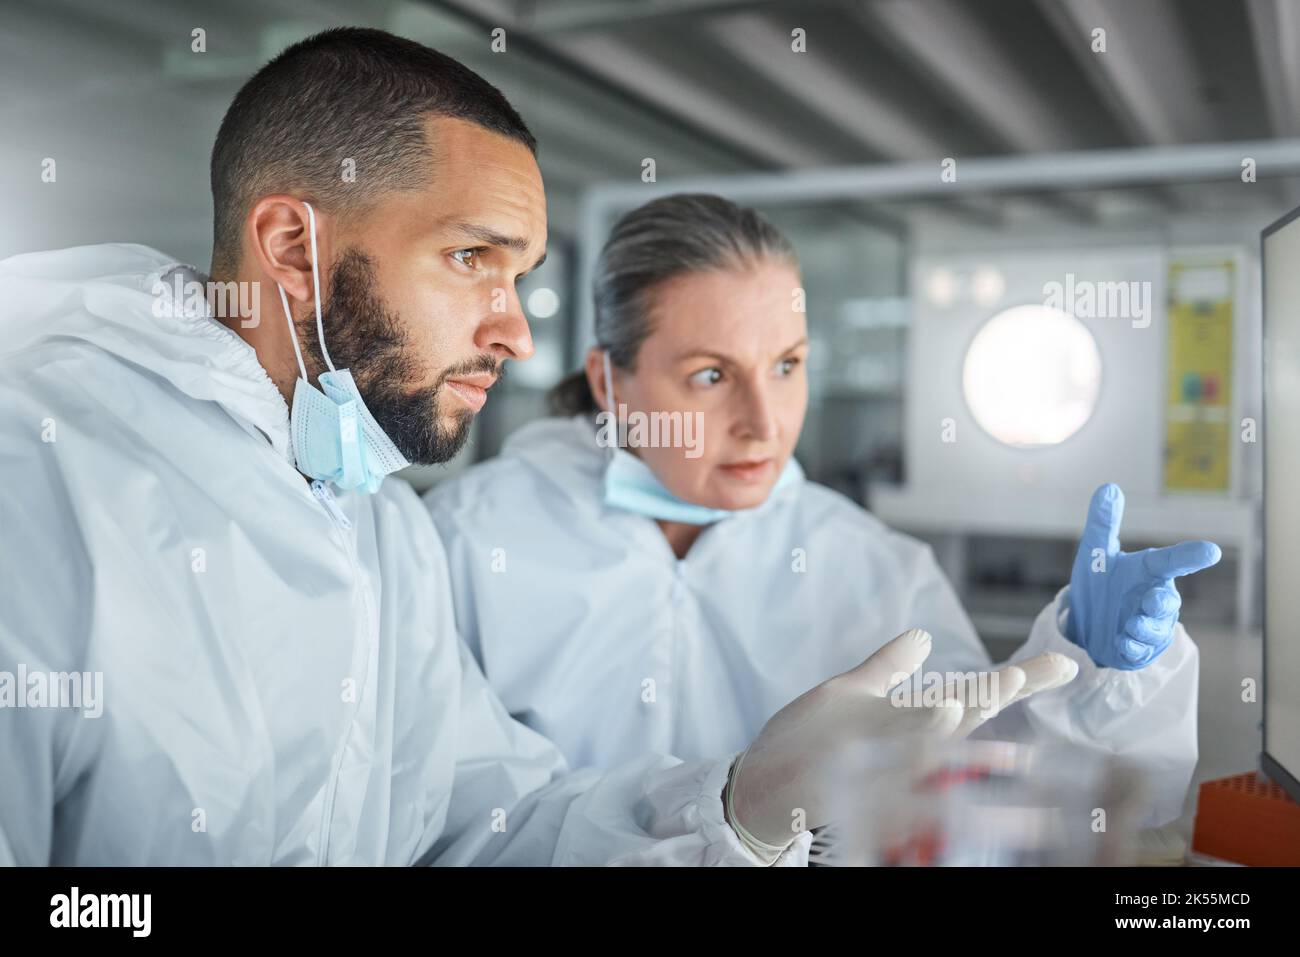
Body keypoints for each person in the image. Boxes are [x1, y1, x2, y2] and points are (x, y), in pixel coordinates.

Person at [0, 28, 1066, 867]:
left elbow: (488, 828)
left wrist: (742, 807)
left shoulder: (374, 529)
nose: (514, 330)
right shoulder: (38, 481)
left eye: (520, 275)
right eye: (471, 257)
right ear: (291, 246)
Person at [425, 193, 1222, 828]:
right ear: (609, 383)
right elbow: (448, 819)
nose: (764, 422)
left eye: (787, 365)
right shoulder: (470, 539)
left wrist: (1098, 673)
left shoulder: (872, 565)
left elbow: (983, 782)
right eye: (709, 376)